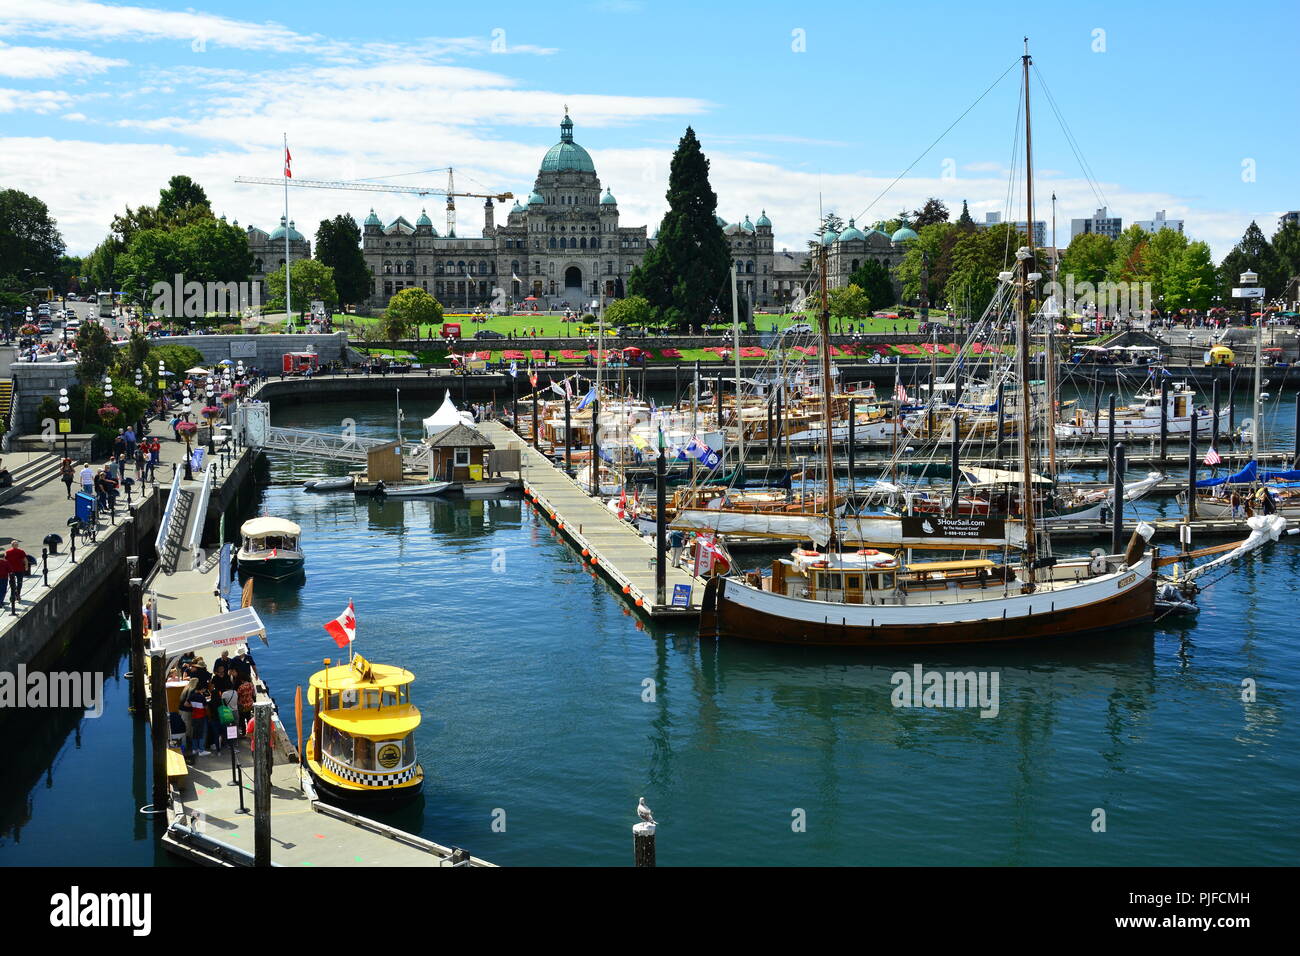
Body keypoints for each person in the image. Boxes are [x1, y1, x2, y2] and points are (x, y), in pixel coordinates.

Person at [4, 540, 28, 611]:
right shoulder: (21, 551)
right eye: (16, 544)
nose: (17, 545)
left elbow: (5, 561)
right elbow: (25, 560)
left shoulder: (7, 552)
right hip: (19, 569)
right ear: (16, 545)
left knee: (12, 583)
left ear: (12, 545)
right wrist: (26, 566)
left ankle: (14, 594)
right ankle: (18, 594)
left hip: (11, 570)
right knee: (19, 582)